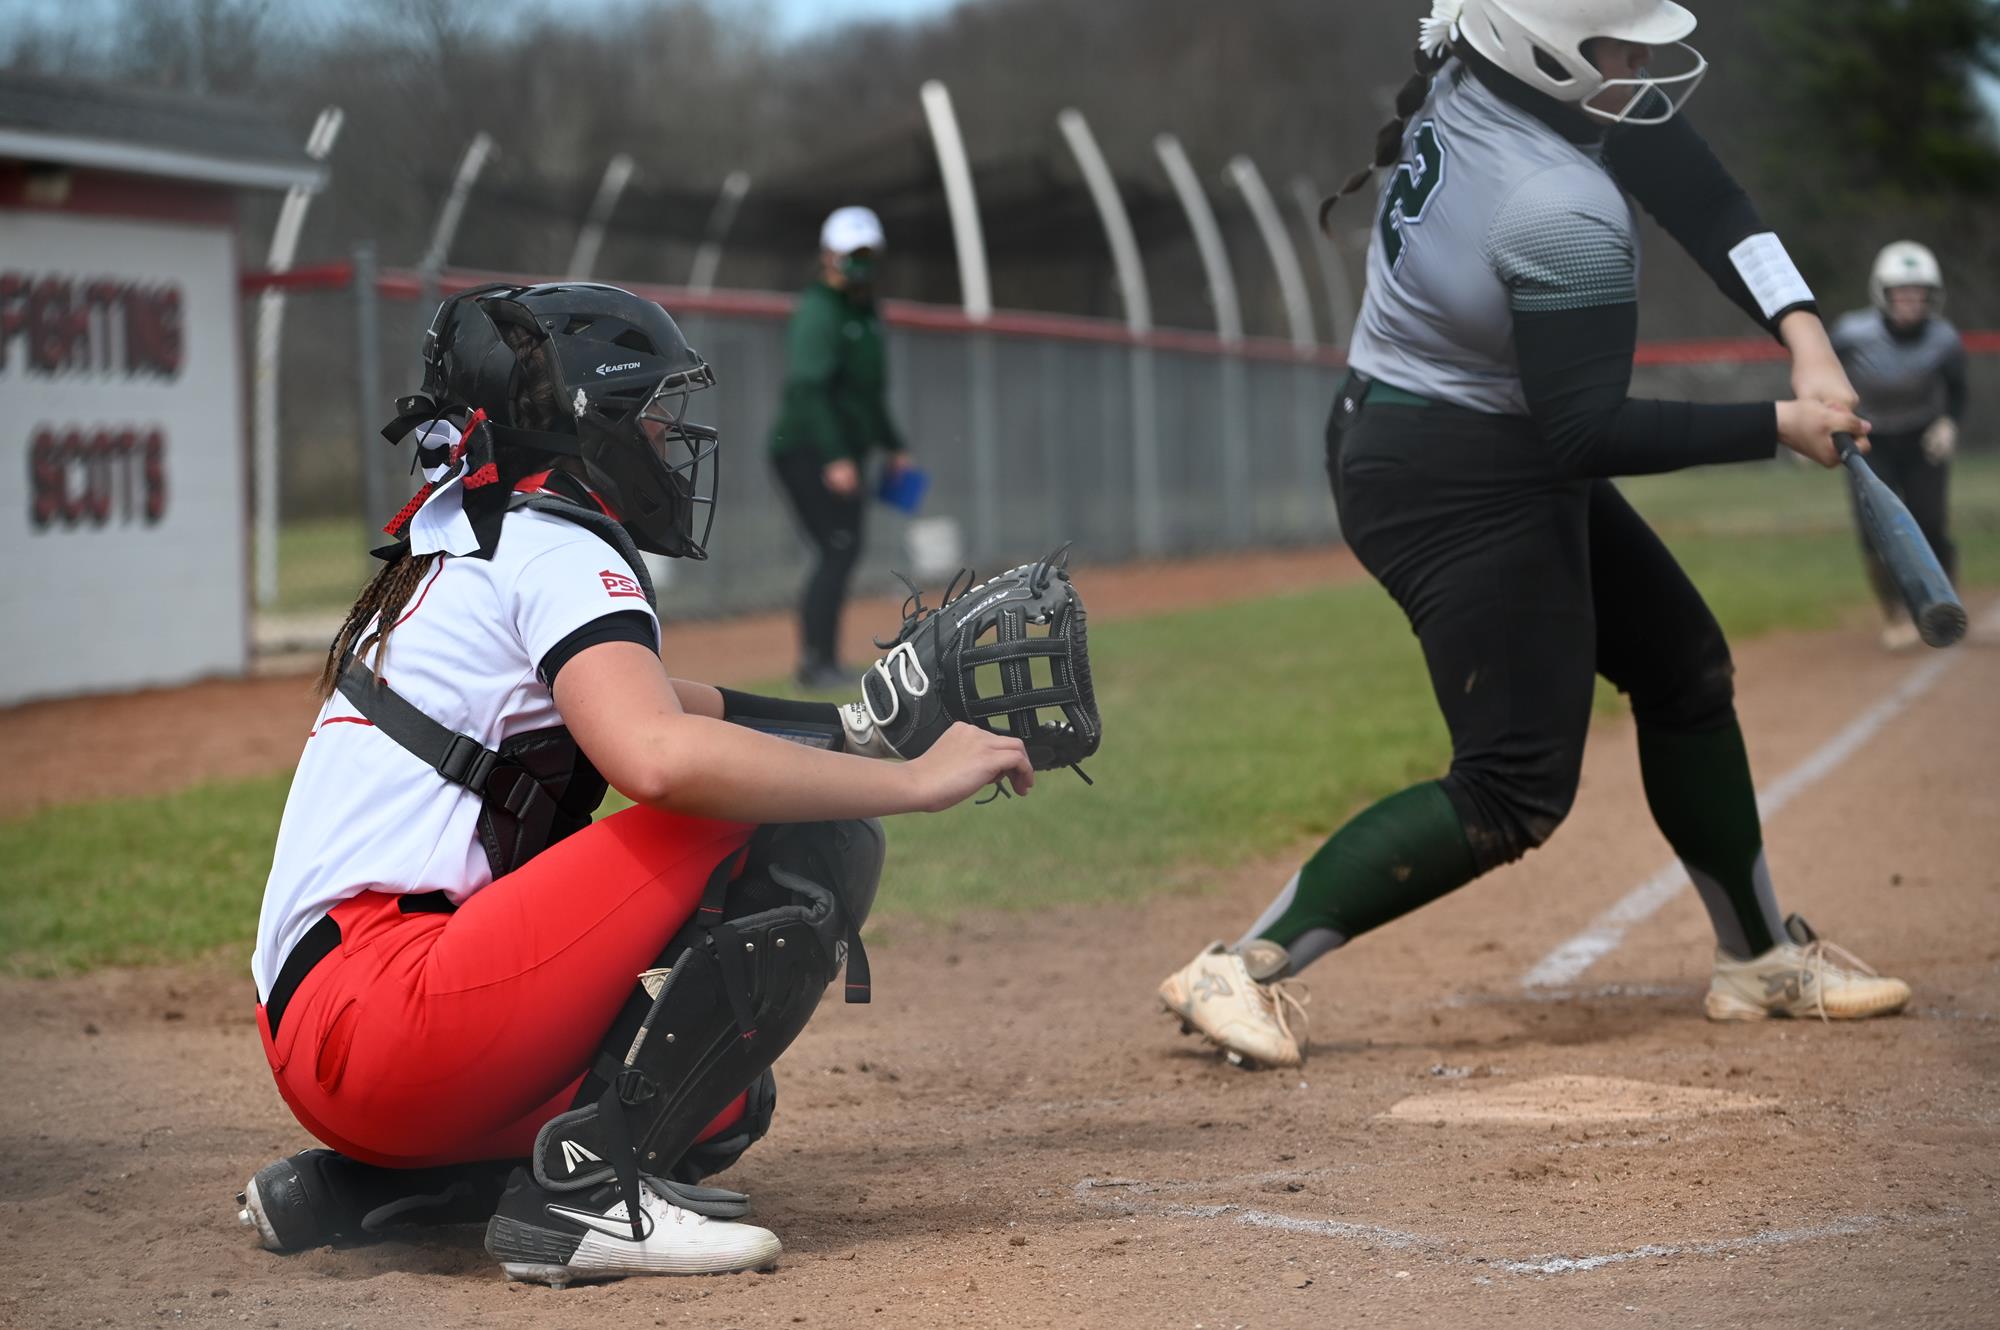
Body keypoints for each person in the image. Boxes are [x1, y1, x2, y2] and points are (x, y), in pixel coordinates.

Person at [1157, 0, 1912, 1070]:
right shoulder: (1557, 203)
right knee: (1512, 783)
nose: (1641, 64)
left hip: (1454, 429)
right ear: (1547, 51)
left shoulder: (1492, 77)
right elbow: (1586, 432)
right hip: (1444, 470)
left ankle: (1755, 959)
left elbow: (1702, 193)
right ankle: (1239, 964)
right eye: (1619, 47)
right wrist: (1775, 425)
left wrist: (1804, 335)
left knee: (1683, 666)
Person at [236, 282, 1031, 1285]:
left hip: (341, 1035)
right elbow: (657, 755)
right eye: (648, 410)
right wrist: (911, 783)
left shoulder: (475, 532)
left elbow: (664, 702)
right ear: (586, 419)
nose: (667, 434)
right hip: (388, 1008)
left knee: (715, 1098)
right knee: (811, 833)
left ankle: (365, 1189)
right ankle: (580, 1194)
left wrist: (857, 727)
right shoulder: (552, 542)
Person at [769, 205, 914, 689]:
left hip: (846, 451)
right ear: (829, 255)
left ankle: (826, 659)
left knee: (845, 549)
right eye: (853, 253)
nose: (861, 263)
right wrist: (834, 457)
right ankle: (815, 662)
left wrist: (893, 445)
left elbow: (869, 393)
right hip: (807, 448)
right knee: (837, 547)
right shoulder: (820, 310)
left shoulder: (864, 310)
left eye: (868, 253)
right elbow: (808, 389)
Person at [1831, 241, 1968, 650]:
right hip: (1870, 439)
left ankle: (1943, 605)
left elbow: (1957, 390)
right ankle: (1893, 614)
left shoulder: (1944, 339)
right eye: (1902, 293)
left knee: (1931, 522)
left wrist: (1948, 424)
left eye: (1919, 293)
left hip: (1923, 439)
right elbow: (1825, 374)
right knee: (1875, 528)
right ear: (1883, 294)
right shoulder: (1853, 333)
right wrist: (1829, 422)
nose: (1911, 301)